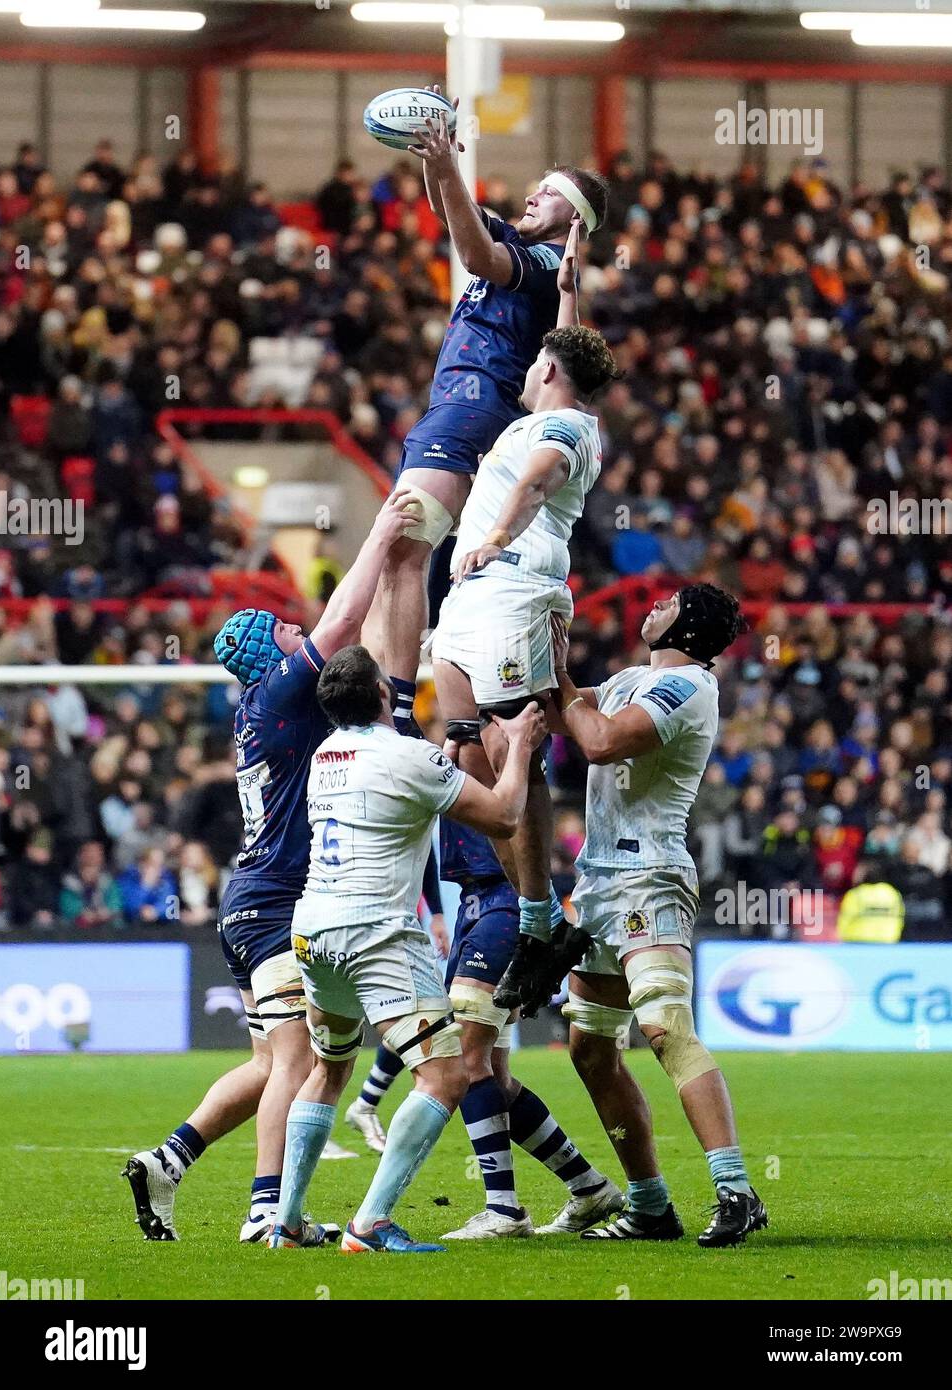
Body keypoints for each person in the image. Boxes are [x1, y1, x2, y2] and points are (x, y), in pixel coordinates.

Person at [122, 490, 415, 1245]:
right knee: (296, 1055)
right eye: (287, 628)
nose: (301, 630)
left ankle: (169, 1159)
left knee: (265, 1059)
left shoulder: (265, 709)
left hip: (251, 902)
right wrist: (379, 535)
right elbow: (343, 626)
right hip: (278, 904)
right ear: (268, 650)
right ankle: (265, 1210)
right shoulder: (282, 690)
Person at [268, 645, 546, 1254]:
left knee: (328, 1066)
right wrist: (521, 744)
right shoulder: (407, 756)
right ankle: (370, 1222)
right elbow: (502, 817)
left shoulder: (325, 755)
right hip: (378, 933)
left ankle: (286, 1223)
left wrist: (440, 763)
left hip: (314, 931)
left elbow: (402, 787)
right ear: (382, 696)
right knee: (445, 1076)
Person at [364, 82, 609, 732]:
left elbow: (473, 252)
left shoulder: (543, 259)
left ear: (574, 216)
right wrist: (432, 154)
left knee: (404, 549)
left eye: (548, 190)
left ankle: (394, 708)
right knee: (404, 554)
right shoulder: (533, 251)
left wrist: (443, 162)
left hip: (471, 412)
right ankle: (426, 709)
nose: (532, 194)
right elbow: (458, 224)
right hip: (459, 412)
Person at [548, 586, 769, 1248]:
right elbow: (565, 713)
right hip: (597, 885)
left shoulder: (688, 687)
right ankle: (648, 1204)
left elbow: (600, 740)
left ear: (688, 623)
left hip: (648, 879)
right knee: (589, 1049)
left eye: (666, 602)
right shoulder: (630, 678)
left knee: (664, 1028)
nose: (651, 605)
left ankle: (735, 1190)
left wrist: (559, 679)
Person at [431, 324, 616, 1009]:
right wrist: (569, 287)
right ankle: (538, 915)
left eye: (537, 356)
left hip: (511, 583)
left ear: (545, 367)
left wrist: (496, 536)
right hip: (466, 601)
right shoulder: (543, 415)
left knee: (516, 745)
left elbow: (538, 483)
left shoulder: (568, 429)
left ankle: (537, 926)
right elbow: (572, 341)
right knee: (466, 750)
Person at [344, 813, 623, 1240]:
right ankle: (588, 1187)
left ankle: (503, 1210)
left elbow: (512, 806)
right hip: (477, 904)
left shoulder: (477, 745)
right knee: (495, 1076)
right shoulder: (442, 756)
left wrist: (540, 905)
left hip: (506, 901)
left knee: (467, 1060)